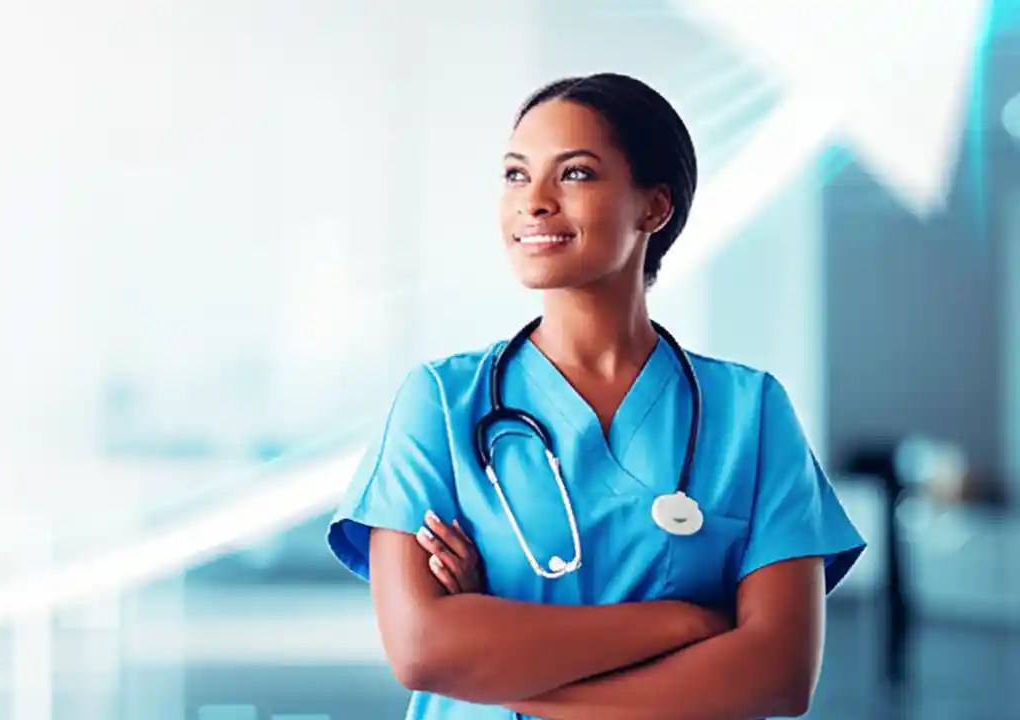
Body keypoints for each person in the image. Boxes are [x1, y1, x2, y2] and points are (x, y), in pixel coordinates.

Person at [325, 72, 866, 720]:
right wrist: (678, 623)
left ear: (653, 208)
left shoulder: (750, 413)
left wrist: (497, 659)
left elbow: (778, 675)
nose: (535, 201)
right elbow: (422, 650)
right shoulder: (441, 403)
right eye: (516, 175)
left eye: (575, 174)